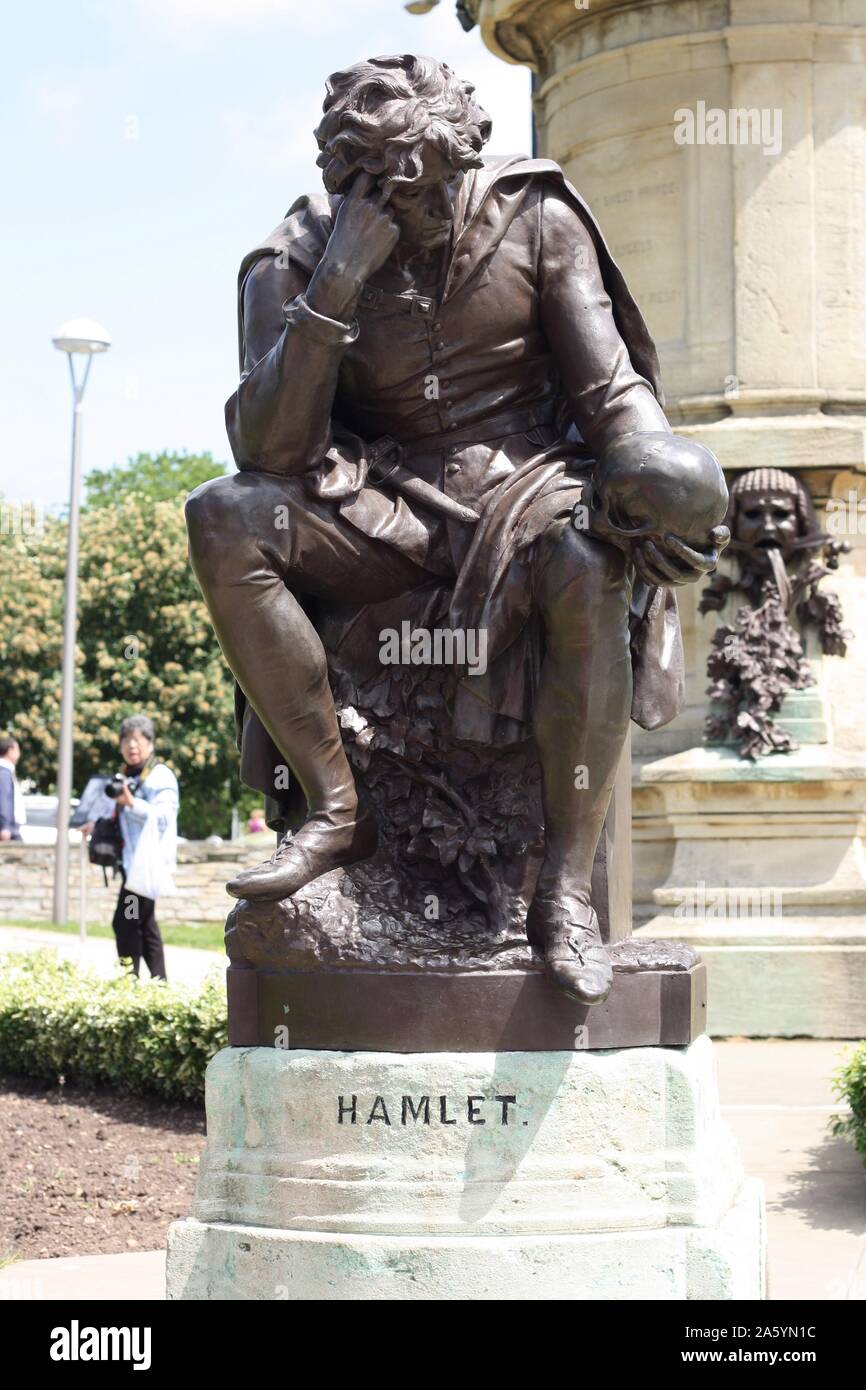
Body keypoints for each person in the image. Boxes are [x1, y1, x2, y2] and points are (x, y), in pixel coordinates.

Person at [184, 54, 727, 1004]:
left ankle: (563, 893)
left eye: (432, 186)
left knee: (586, 559)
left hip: (526, 496)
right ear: (348, 185)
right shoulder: (294, 258)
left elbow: (609, 397)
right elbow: (271, 450)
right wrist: (338, 289)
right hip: (374, 511)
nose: (419, 212)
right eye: (383, 193)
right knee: (225, 517)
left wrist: (659, 476)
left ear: (461, 154)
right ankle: (338, 809)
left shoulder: (536, 219)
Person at [84, 715, 178, 980]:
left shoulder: (160, 776)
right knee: (143, 923)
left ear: (150, 744)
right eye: (126, 740)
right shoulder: (124, 776)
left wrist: (131, 803)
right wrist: (94, 824)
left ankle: (130, 985)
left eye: (137, 740)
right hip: (131, 865)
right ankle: (160, 984)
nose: (131, 746)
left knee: (126, 922)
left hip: (148, 866)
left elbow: (163, 818)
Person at [0, 735, 25, 842]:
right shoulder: (4, 772)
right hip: (8, 830)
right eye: (17, 750)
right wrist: (5, 826)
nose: (19, 755)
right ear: (10, 751)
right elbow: (4, 799)